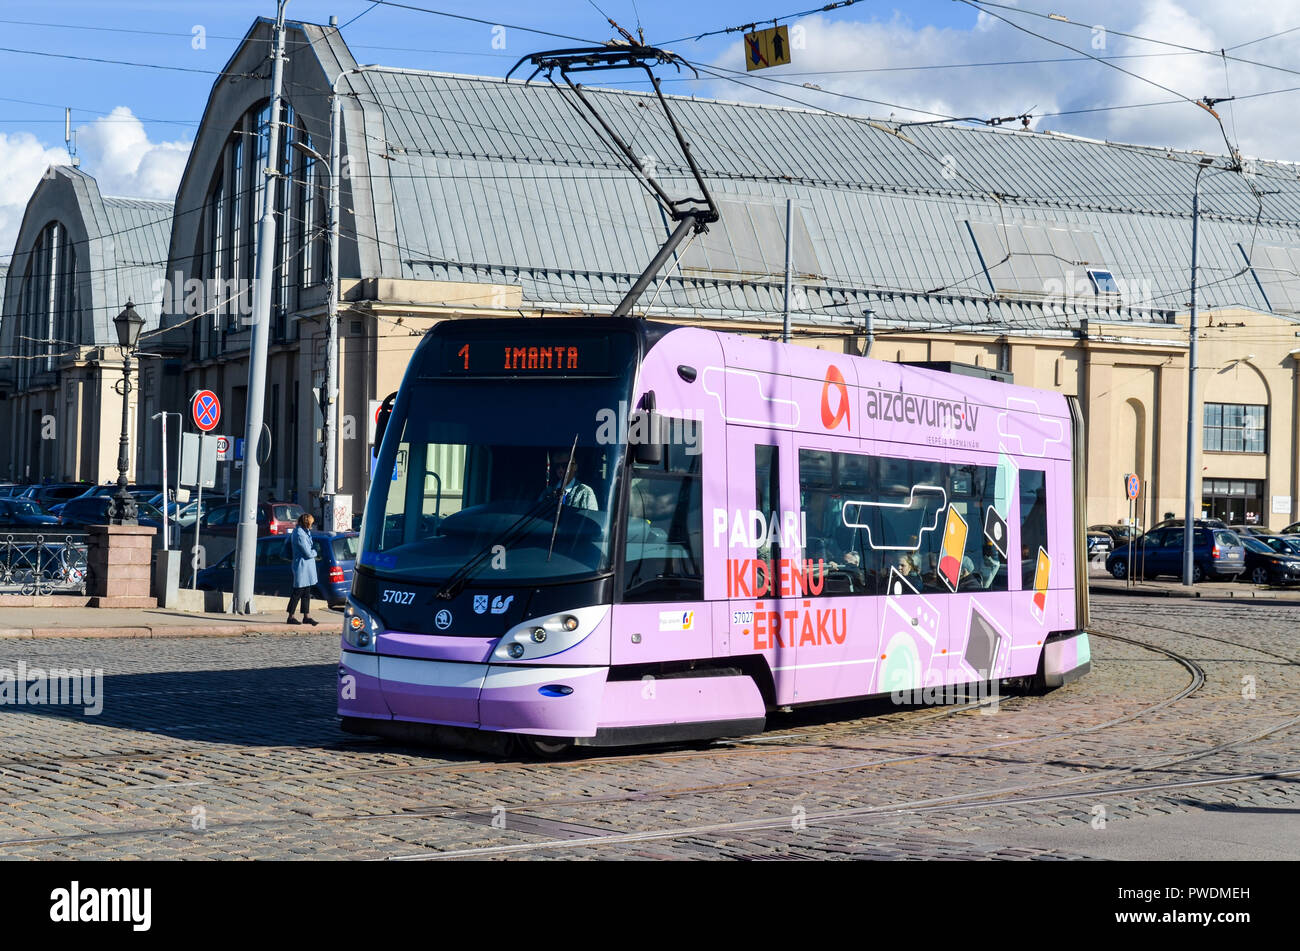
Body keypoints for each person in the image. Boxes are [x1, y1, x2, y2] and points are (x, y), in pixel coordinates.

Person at [286, 513, 319, 626]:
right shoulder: (299, 534)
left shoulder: (305, 532)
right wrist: (315, 552)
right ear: (307, 523)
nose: (312, 525)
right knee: (298, 591)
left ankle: (306, 616)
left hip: (307, 567)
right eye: (311, 523)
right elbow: (308, 552)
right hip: (302, 566)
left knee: (306, 592)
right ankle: (291, 616)